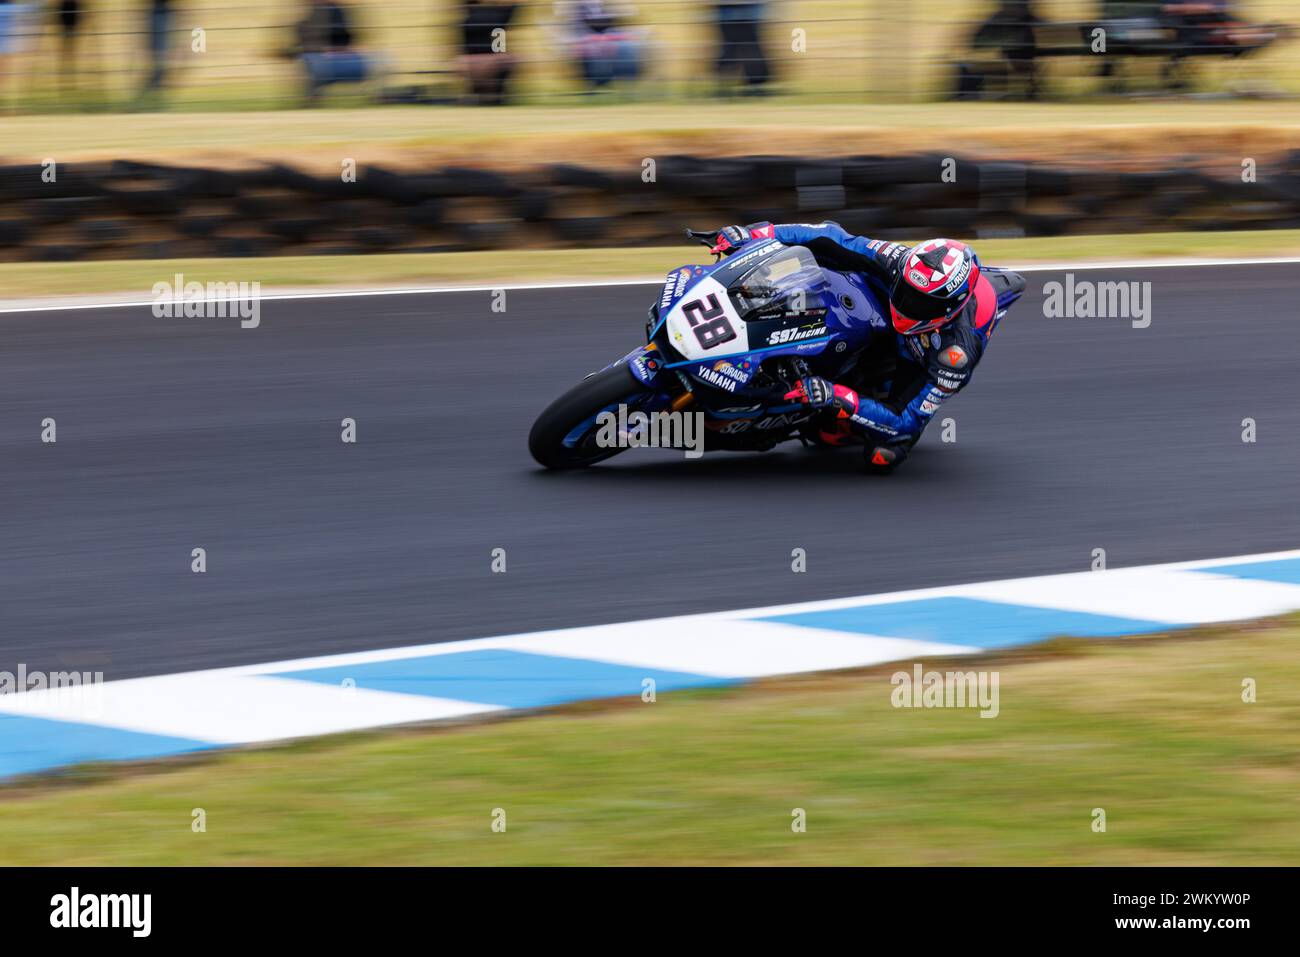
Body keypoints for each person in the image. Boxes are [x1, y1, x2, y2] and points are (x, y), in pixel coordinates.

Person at [706, 222, 1020, 473]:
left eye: (920, 303)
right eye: (906, 292)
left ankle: (860, 411)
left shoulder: (955, 354)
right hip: (884, 306)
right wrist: (757, 233)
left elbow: (905, 417)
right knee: (827, 264)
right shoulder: (900, 261)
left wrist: (837, 396)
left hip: (920, 356)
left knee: (885, 450)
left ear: (948, 310)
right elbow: (830, 236)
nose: (906, 304)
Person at [294, 0, 382, 104]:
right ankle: (312, 98)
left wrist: (336, 49)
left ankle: (312, 98)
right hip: (326, 57)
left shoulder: (332, 10)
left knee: (312, 62)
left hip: (332, 58)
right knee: (310, 61)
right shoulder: (314, 13)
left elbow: (345, 37)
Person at [552, 1, 643, 91]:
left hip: (603, 34)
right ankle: (598, 82)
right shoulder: (573, 5)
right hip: (583, 36)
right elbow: (571, 27)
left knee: (626, 45)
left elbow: (616, 20)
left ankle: (618, 81)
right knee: (592, 47)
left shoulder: (604, 5)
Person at [460, 0, 520, 105]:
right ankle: (495, 96)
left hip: (471, 62)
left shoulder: (468, 17)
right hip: (485, 62)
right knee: (505, 59)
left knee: (501, 56)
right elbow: (498, 46)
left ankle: (482, 95)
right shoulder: (496, 16)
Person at [713, 0, 770, 93]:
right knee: (741, 48)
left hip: (738, 14)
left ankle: (753, 85)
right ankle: (754, 85)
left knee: (738, 48)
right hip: (737, 14)